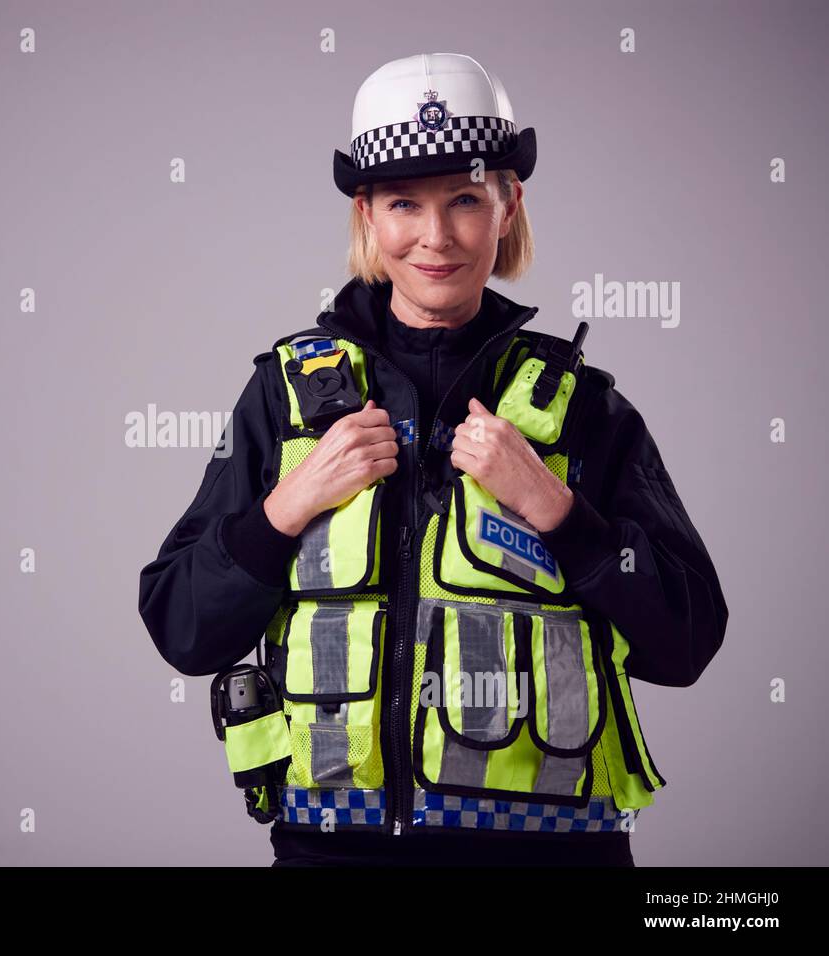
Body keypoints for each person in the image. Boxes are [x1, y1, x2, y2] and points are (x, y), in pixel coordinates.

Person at [138, 53, 728, 867]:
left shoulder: (585, 409)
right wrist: (288, 505)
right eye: (404, 203)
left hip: (551, 860)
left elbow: (687, 641)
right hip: (332, 859)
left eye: (465, 200)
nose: (436, 237)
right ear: (368, 217)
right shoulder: (283, 398)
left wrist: (559, 511)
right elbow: (182, 627)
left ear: (508, 205)